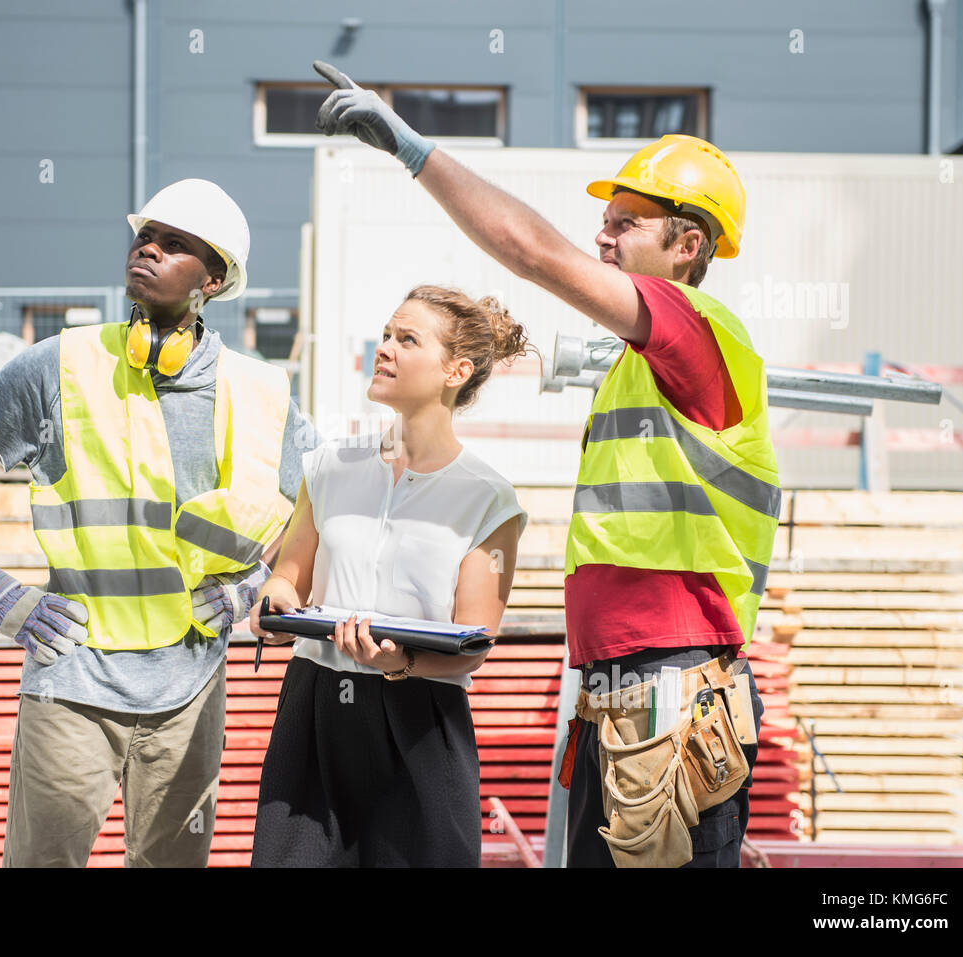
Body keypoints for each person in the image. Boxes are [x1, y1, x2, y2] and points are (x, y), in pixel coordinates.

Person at [313, 61, 778, 868]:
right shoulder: (640, 367)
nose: (602, 235)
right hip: (621, 705)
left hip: (669, 700)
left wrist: (410, 147)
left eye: (626, 221)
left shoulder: (697, 334)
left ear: (687, 244)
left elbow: (533, 252)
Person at [0, 178, 322, 867]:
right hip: (73, 677)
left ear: (213, 280)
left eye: (174, 244)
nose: (148, 250)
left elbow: (321, 493)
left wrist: (261, 582)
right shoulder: (60, 366)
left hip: (190, 686)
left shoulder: (261, 390)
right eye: (144, 237)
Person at [248, 285, 532, 867]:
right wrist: (273, 610)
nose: (385, 349)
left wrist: (397, 663)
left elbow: (473, 641)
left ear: (457, 370)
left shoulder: (489, 499)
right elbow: (289, 577)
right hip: (316, 710)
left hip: (421, 721)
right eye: (385, 335)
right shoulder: (327, 466)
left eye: (407, 340)